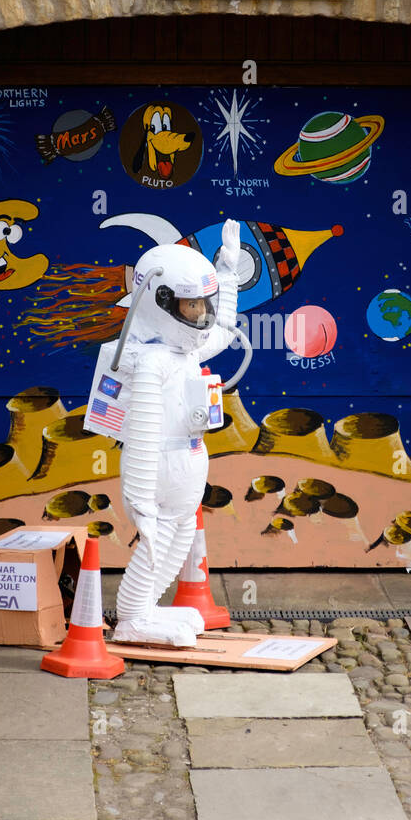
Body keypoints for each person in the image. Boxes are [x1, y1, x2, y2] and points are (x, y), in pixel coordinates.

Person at [110, 220, 243, 647]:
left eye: (205, 304)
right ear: (161, 301)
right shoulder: (152, 362)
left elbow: (222, 332)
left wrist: (228, 272)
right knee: (157, 539)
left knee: (180, 534)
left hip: (185, 463)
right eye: (192, 307)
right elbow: (143, 435)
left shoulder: (180, 351)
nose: (202, 315)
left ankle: (147, 609)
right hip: (162, 468)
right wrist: (141, 501)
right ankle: (132, 616)